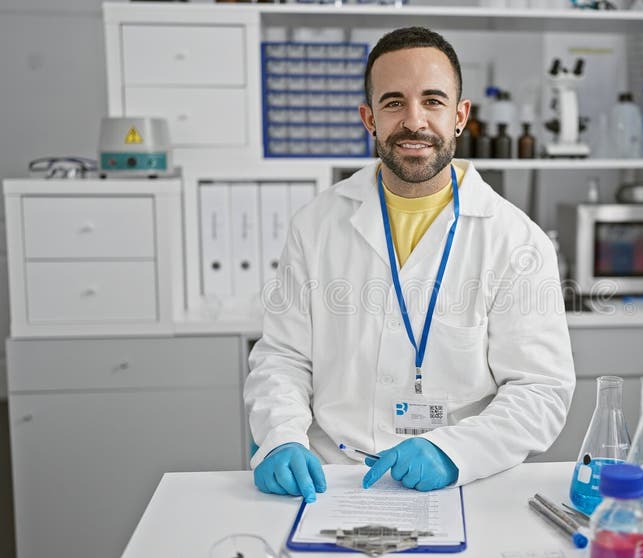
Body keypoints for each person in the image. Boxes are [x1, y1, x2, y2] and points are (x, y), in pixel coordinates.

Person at [244, 26, 575, 502]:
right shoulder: (316, 225)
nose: (413, 121)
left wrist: (452, 452)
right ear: (369, 117)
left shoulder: (515, 240)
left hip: (460, 481)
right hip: (328, 478)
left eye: (433, 101)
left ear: (460, 116)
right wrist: (280, 438)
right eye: (394, 102)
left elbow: (540, 391)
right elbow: (283, 357)